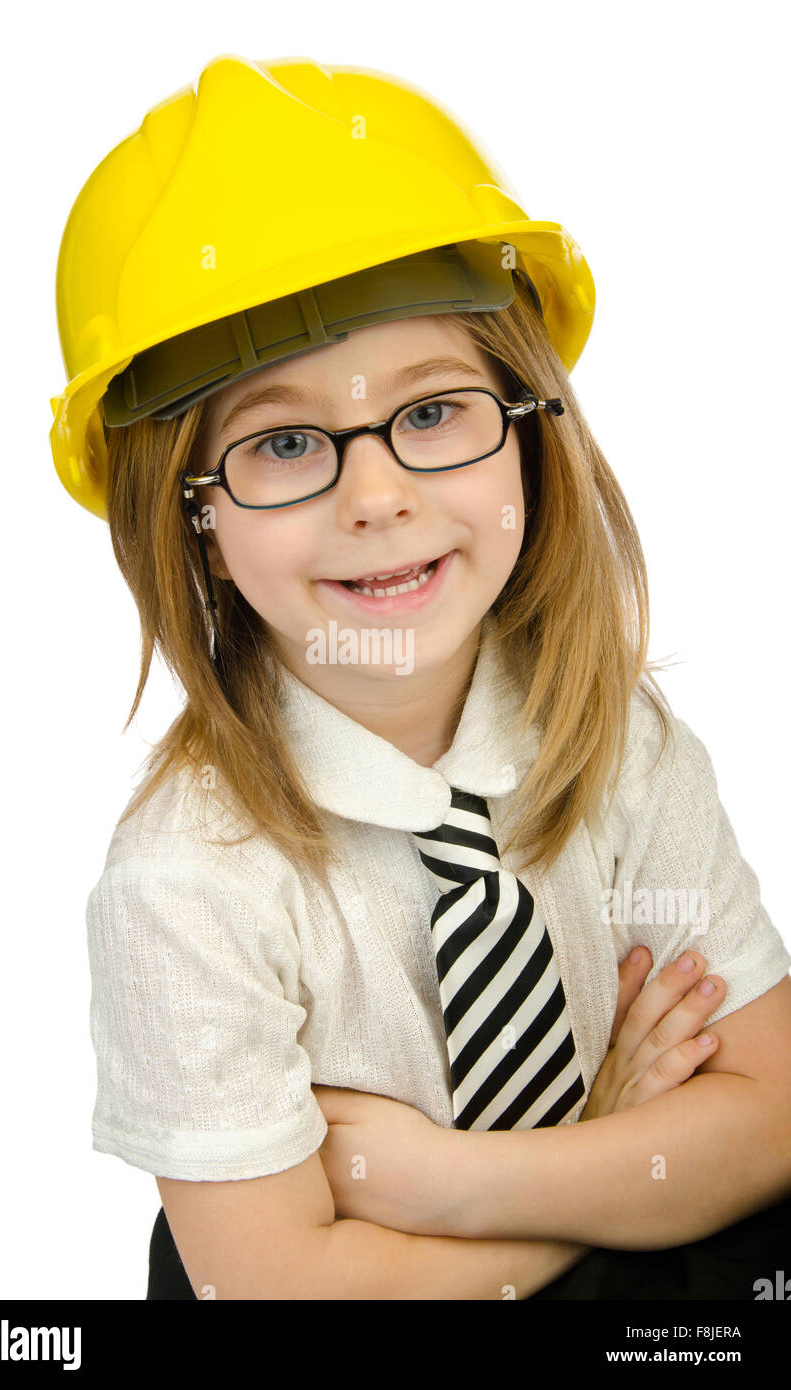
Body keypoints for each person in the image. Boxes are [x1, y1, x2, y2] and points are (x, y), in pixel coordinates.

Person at [51, 54, 791, 1301]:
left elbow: (768, 1123)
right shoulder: (186, 885)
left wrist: (449, 1178)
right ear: (190, 522)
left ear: (527, 423)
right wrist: (616, 1161)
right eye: (285, 443)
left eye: (435, 410)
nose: (379, 495)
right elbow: (283, 1282)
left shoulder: (626, 749)